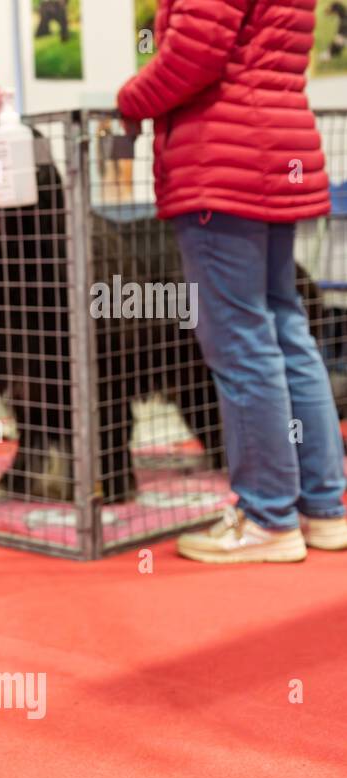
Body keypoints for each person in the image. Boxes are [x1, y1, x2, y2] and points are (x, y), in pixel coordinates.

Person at [118, 0, 347, 563]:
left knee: (243, 342)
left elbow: (194, 52)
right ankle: (323, 508)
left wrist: (129, 101)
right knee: (285, 327)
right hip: (276, 148)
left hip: (222, 159)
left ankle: (267, 515)